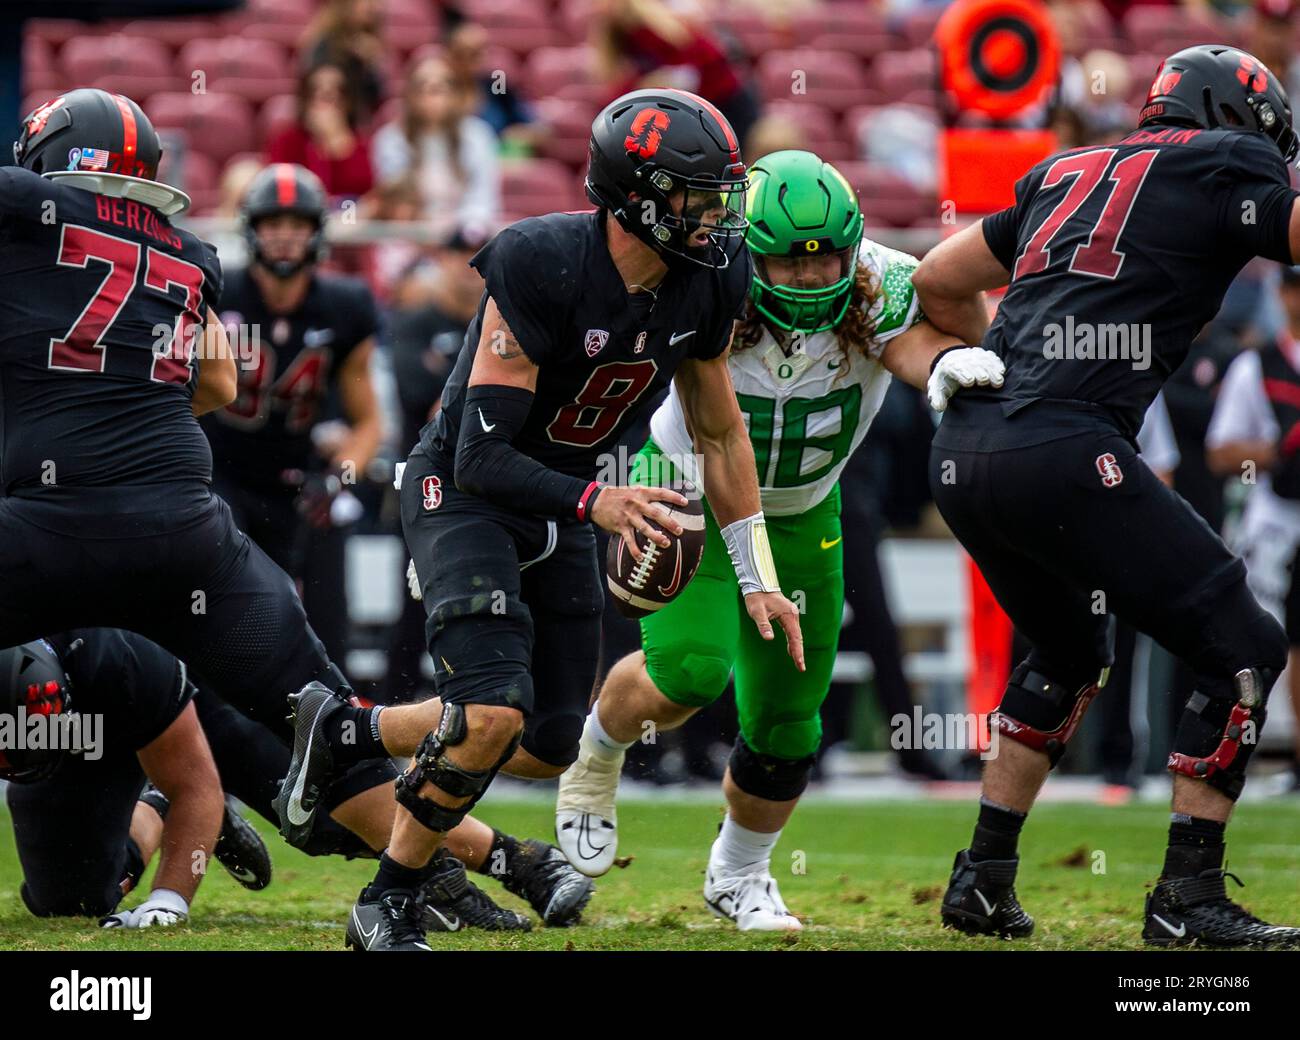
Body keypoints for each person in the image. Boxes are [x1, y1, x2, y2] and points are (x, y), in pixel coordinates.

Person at [278, 88, 806, 951]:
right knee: (489, 714)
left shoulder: (710, 282)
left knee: (550, 741)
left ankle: (349, 727)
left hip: (567, 499)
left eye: (720, 196)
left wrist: (758, 579)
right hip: (466, 492)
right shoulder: (541, 262)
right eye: (695, 197)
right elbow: (483, 456)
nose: (715, 218)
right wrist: (602, 500)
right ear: (636, 197)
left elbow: (719, 432)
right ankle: (390, 900)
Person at [911, 45, 1300, 947]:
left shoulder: (1062, 168)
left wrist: (997, 371)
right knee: (1244, 644)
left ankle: (982, 878)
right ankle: (1187, 897)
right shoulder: (1224, 157)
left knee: (1066, 648)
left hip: (967, 443)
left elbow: (934, 278)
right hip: (1066, 446)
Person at [552, 149, 1000, 927]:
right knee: (689, 673)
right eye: (789, 263)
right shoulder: (707, 281)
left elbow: (906, 345)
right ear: (745, 249)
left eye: (825, 256)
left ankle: (740, 872)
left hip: (805, 508)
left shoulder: (879, 280)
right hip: (687, 492)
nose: (810, 275)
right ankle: (596, 753)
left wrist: (948, 361)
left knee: (790, 719)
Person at [202, 163, 382, 671]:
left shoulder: (346, 306)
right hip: (221, 473)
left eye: (297, 225)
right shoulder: (216, 293)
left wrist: (340, 476)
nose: (284, 238)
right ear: (252, 230)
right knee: (221, 595)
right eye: (272, 224)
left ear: (316, 233)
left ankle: (338, 709)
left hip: (297, 477)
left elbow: (369, 421)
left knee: (325, 594)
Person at [1, 632, 260, 926]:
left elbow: (195, 786)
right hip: (78, 705)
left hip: (163, 675)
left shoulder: (126, 659)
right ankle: (161, 805)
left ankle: (179, 786)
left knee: (315, 822)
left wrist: (168, 900)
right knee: (70, 898)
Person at [1206, 262, 1300, 795]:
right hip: (1277, 523)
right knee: (1271, 642)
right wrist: (1277, 451)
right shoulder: (1254, 365)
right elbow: (1222, 451)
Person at [372, 56, 500, 243]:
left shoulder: (478, 135)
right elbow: (396, 200)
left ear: (454, 94)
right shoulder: (390, 140)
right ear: (410, 95)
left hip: (463, 237)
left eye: (437, 90)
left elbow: (482, 198)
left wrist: (462, 232)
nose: (429, 98)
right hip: (410, 235)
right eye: (422, 89)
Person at [267, 62, 374, 201]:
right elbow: (278, 186)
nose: (323, 104)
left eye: (333, 96)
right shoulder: (286, 140)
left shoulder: (362, 146)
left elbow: (362, 189)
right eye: (315, 93)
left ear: (348, 103)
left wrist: (337, 145)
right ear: (304, 100)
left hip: (348, 215)